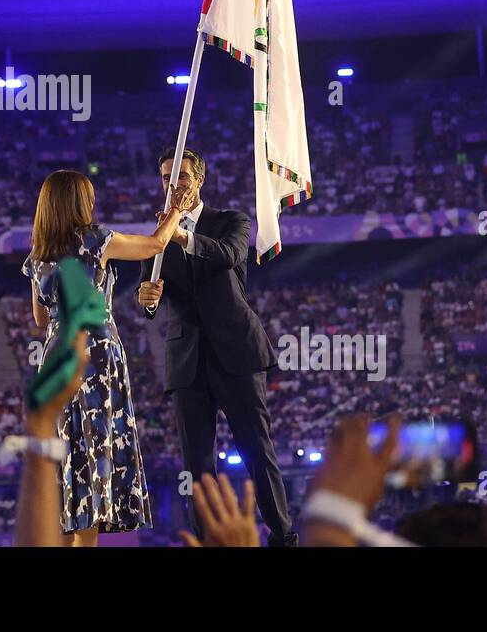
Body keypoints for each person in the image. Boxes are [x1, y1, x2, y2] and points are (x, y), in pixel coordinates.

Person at [137, 147, 298, 545]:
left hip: (236, 354)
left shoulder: (231, 221)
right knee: (197, 466)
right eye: (165, 179)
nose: (173, 186)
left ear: (200, 180)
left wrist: (183, 236)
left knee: (258, 451)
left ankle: (283, 537)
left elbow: (229, 255)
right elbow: (151, 299)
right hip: (187, 360)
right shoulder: (155, 238)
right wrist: (149, 298)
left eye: (182, 177)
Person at [21, 168, 188, 546]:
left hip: (56, 359)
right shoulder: (95, 240)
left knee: (68, 462)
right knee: (94, 459)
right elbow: (155, 245)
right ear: (79, 203)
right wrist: (176, 209)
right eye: (88, 197)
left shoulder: (38, 257)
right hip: (96, 357)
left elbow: (39, 317)